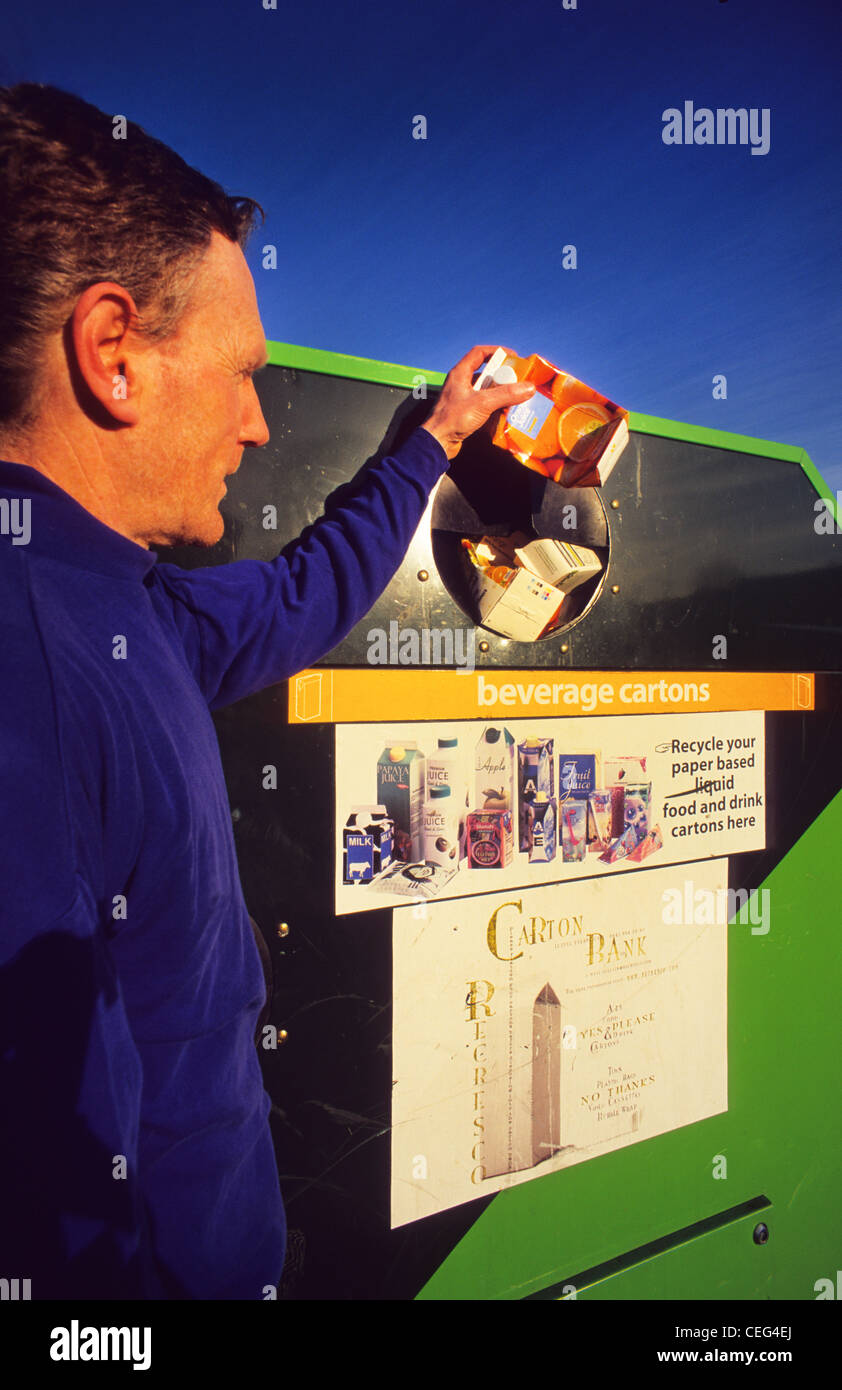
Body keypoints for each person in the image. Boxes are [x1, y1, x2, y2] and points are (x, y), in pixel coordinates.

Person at [0, 83, 534, 1299]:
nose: (255, 421)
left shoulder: (132, 610)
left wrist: (430, 447)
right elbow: (53, 1224)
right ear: (112, 352)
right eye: (243, 372)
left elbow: (301, 592)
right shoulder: (27, 679)